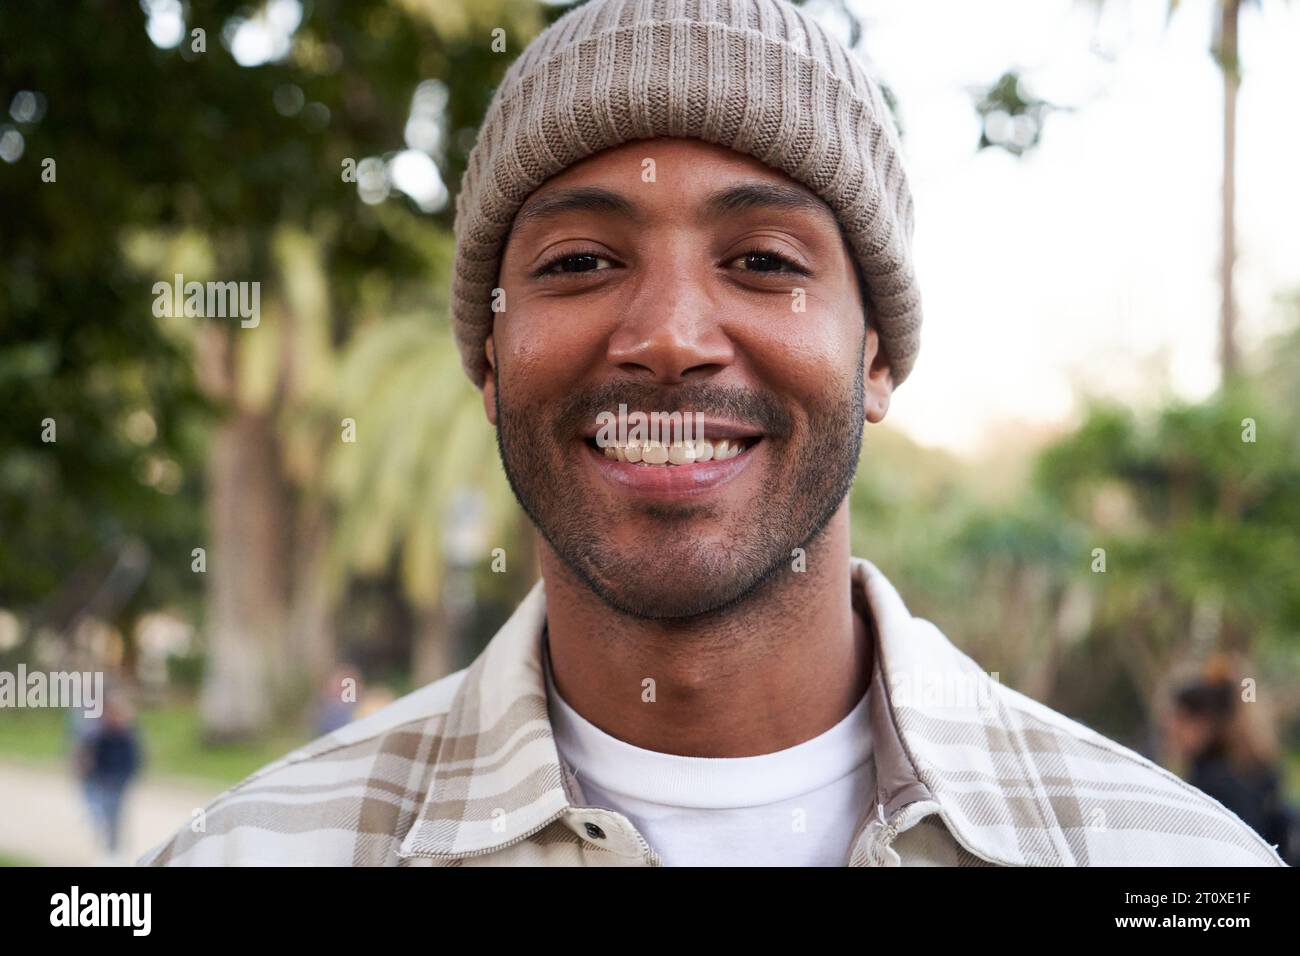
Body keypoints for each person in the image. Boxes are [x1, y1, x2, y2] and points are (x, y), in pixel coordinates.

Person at [141, 0, 1285, 866]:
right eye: (580, 262)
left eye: (763, 263)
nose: (671, 337)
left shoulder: (1178, 864)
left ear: (875, 352)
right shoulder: (245, 853)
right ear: (488, 359)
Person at [1165, 668, 1299, 866]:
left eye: (1178, 719)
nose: (1169, 728)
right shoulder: (1260, 772)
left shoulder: (1211, 784)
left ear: (1202, 723)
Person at [77, 692, 142, 865]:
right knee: (99, 813)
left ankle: (113, 852)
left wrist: (127, 777)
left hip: (118, 783)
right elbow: (88, 759)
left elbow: (133, 760)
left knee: (114, 816)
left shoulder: (127, 736)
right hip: (101, 782)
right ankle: (107, 845)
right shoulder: (98, 735)